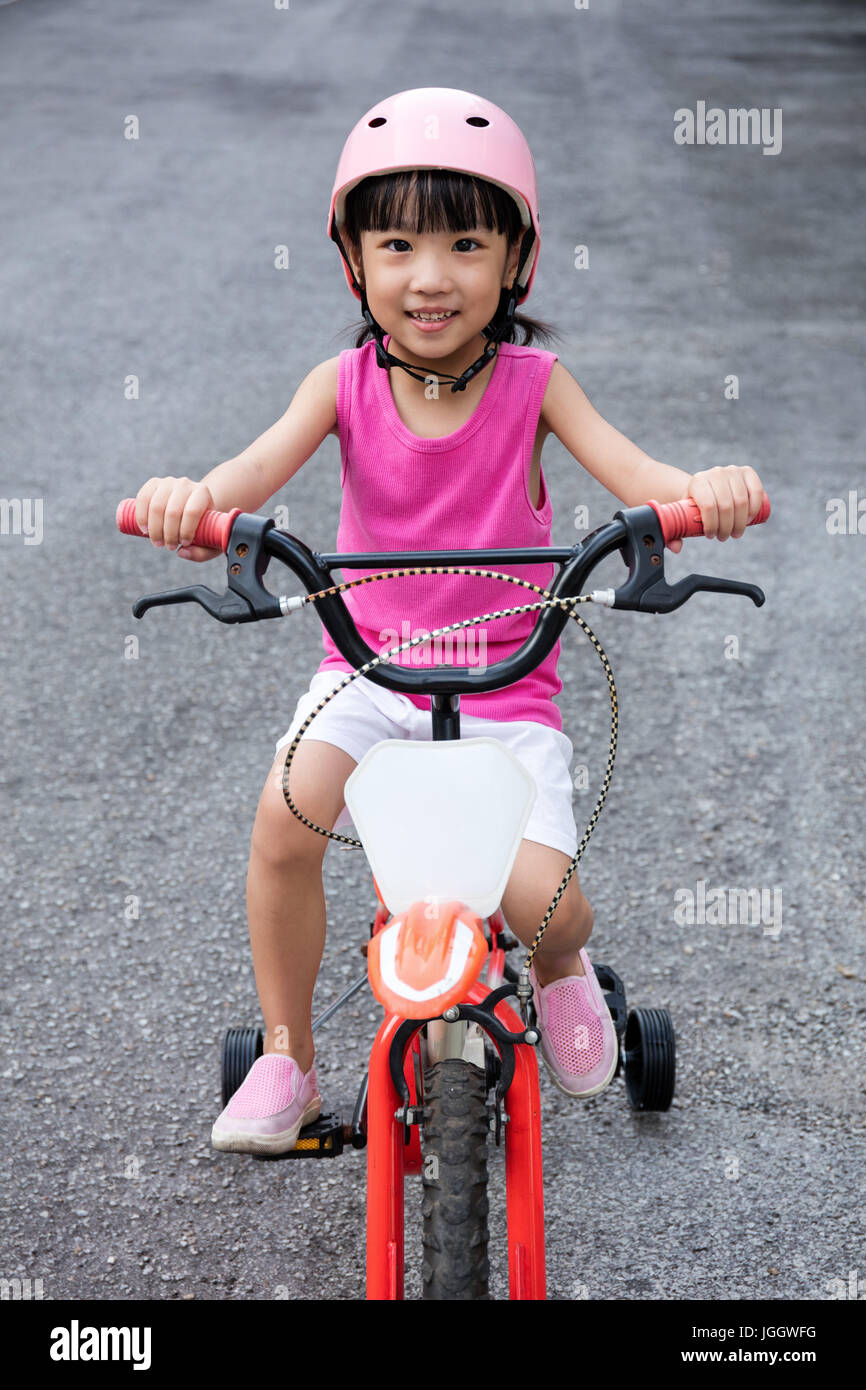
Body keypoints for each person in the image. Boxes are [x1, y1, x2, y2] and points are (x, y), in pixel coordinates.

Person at [132, 88, 766, 1154]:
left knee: (548, 910)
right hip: (368, 674)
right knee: (283, 826)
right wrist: (194, 504)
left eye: (466, 243)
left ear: (516, 258)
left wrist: (702, 491)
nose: (430, 277)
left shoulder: (533, 383)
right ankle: (287, 1057)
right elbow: (247, 470)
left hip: (505, 686)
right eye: (397, 245)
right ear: (353, 262)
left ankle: (562, 973)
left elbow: (634, 472)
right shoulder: (338, 385)